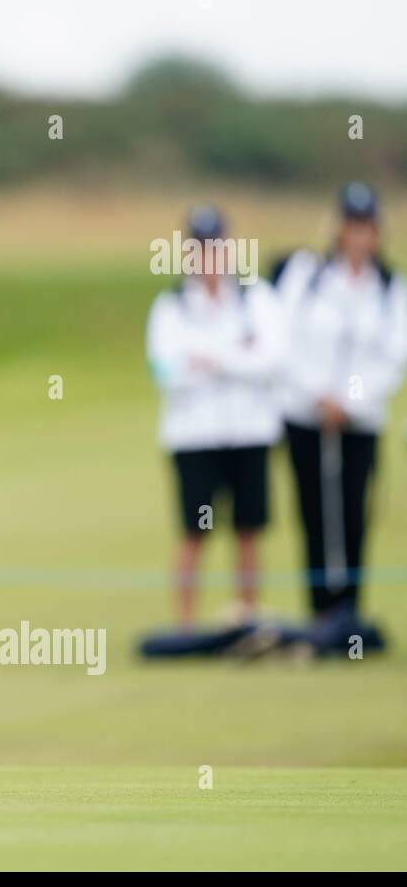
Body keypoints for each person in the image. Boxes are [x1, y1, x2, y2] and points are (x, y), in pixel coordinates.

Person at [146, 204, 286, 629]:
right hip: (194, 436)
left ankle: (246, 617)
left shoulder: (254, 297)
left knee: (247, 529)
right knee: (195, 530)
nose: (209, 258)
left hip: (248, 431)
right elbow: (165, 370)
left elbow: (272, 360)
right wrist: (235, 358)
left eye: (216, 247)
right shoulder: (171, 306)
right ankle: (186, 626)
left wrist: (215, 360)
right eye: (200, 249)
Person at [271, 183, 407, 617]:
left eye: (367, 228)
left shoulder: (389, 287)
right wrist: (318, 395)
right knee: (313, 511)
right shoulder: (306, 275)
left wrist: (350, 400)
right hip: (306, 414)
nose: (359, 237)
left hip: (359, 418)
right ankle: (320, 611)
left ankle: (349, 612)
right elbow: (284, 339)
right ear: (338, 229)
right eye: (352, 227)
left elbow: (394, 355)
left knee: (352, 512)